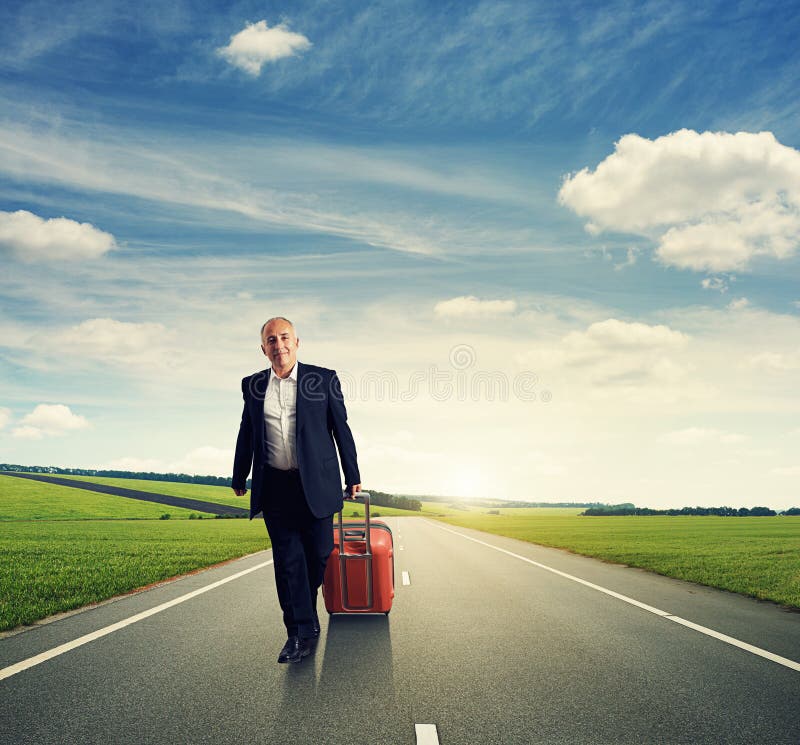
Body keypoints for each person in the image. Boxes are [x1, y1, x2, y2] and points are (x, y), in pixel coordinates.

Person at [232, 317, 361, 664]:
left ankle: (304, 604)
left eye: (284, 337)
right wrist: (238, 475)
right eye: (271, 340)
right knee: (288, 563)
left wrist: (352, 474)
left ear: (297, 342)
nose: (279, 345)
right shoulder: (253, 385)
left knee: (318, 554)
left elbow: (341, 428)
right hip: (275, 485)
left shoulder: (323, 379)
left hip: (316, 485)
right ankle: (299, 632)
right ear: (264, 349)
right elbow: (247, 431)